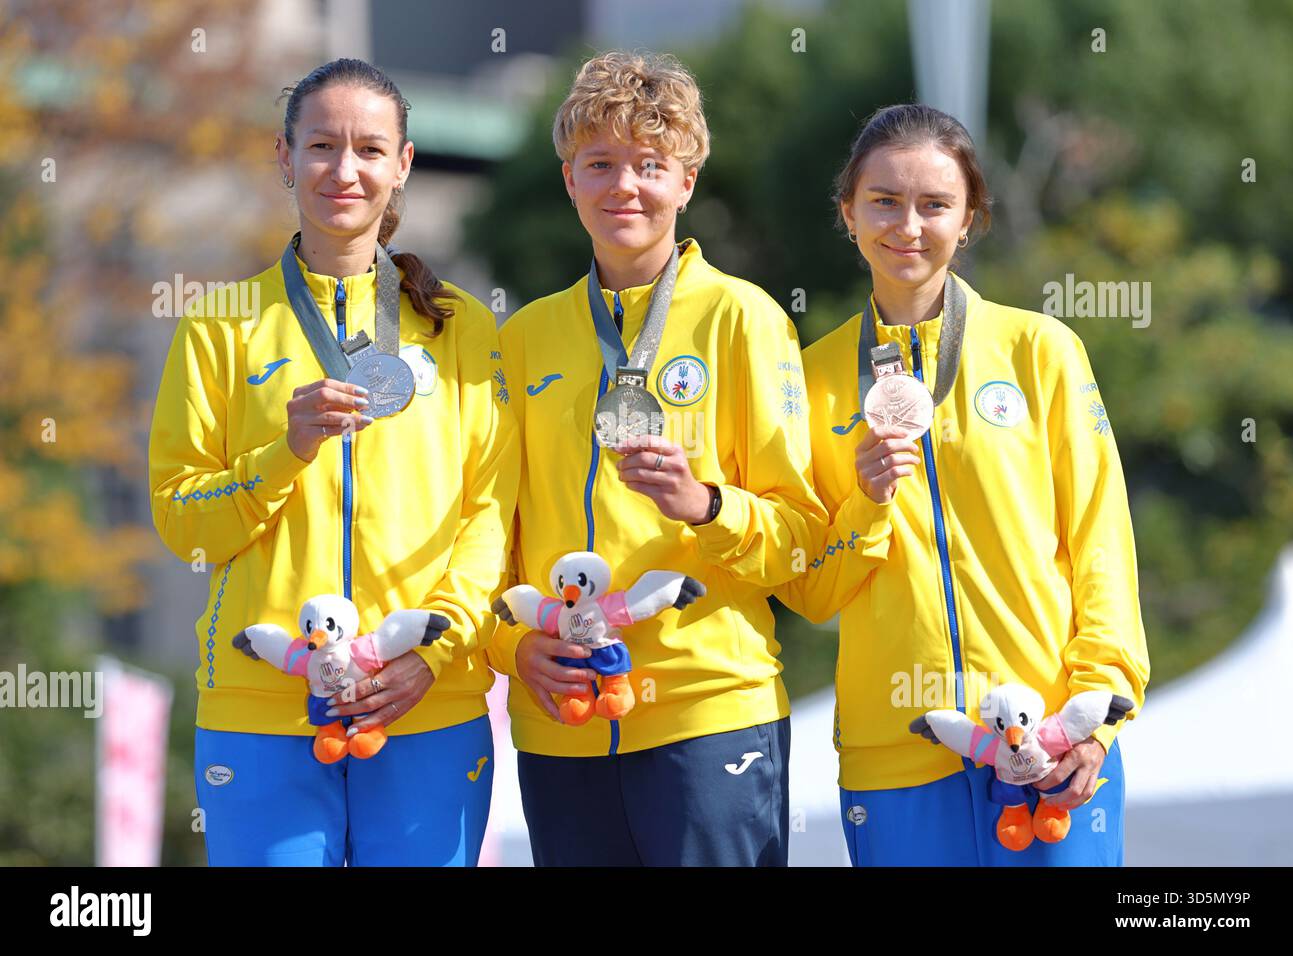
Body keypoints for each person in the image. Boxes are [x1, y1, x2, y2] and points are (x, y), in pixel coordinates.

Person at [148, 58, 519, 866]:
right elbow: (184, 524)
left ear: (404, 164)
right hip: (262, 707)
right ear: (285, 159)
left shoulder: (464, 331)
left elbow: (490, 515)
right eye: (320, 146)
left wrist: (434, 653)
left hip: (426, 701)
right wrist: (286, 452)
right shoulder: (220, 326)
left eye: (369, 149)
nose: (344, 170)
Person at [777, 103, 1149, 866]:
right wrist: (866, 502)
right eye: (883, 201)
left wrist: (1099, 714)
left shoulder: (1040, 349)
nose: (907, 225)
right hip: (896, 755)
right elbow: (809, 589)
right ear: (848, 212)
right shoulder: (807, 380)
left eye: (934, 204)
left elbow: (1100, 542)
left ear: (970, 217)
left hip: (1045, 741)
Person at [485, 50, 825, 866]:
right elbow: (488, 532)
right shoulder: (524, 337)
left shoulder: (744, 318)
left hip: (707, 712)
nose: (623, 187)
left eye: (649, 164)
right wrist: (512, 649)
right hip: (562, 721)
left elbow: (805, 538)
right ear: (569, 180)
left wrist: (708, 505)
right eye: (598, 163)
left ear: (688, 180)